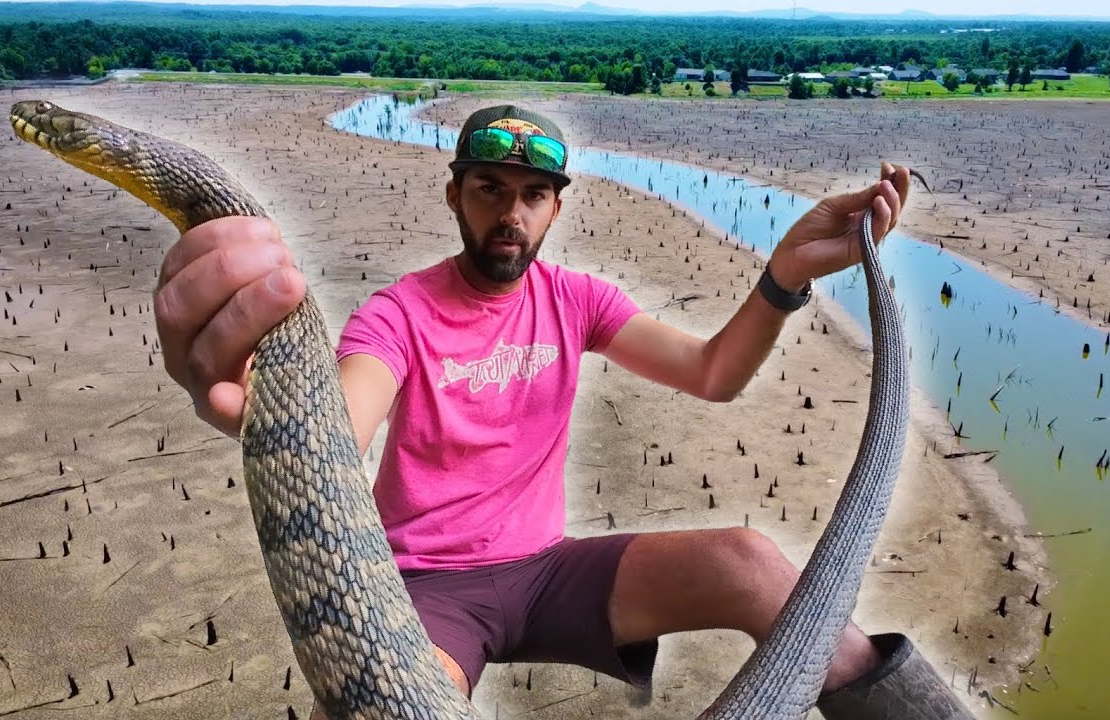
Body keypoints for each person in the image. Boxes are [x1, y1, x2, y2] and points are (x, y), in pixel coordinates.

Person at [153, 105, 971, 719]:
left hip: (545, 571)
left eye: (534, 195)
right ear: (455, 196)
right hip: (429, 589)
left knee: (752, 565)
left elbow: (713, 372)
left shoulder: (575, 299)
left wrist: (785, 271)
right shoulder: (397, 315)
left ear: (554, 207)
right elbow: (343, 425)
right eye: (490, 190)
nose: (511, 214)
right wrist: (271, 411)